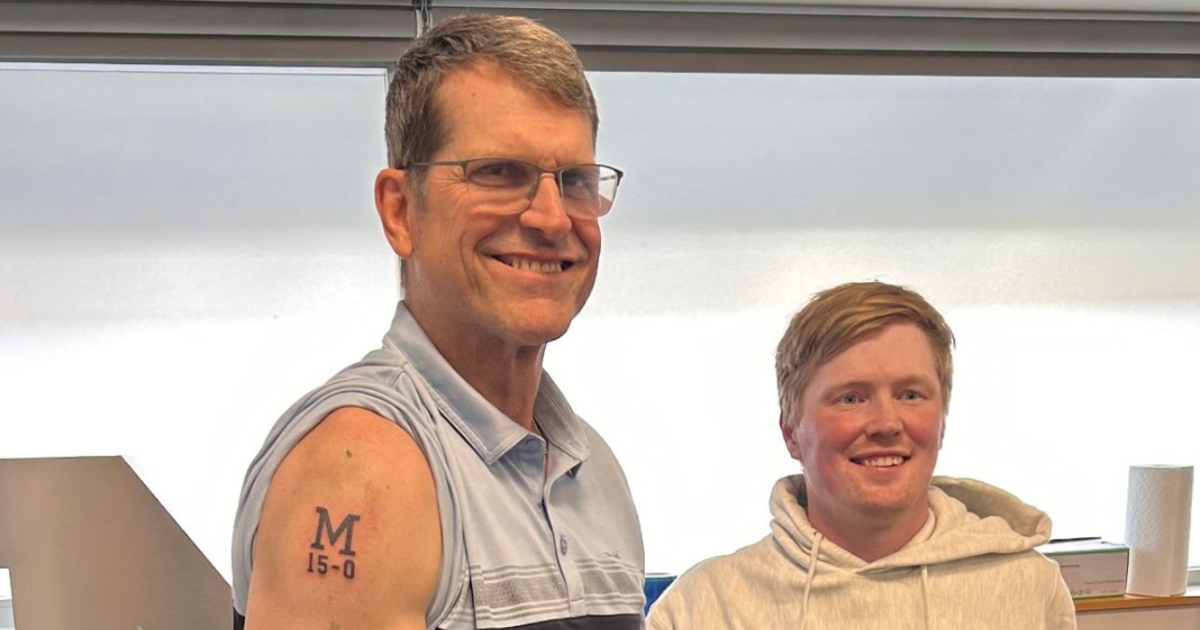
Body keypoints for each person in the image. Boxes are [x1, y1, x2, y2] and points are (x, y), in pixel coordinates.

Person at [231, 15, 643, 630]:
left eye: (576, 180)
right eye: (501, 173)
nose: (553, 218)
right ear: (401, 212)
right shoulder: (360, 471)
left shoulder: (591, 470)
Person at [647, 281, 1076, 630]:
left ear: (941, 422)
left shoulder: (1031, 589)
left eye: (911, 394)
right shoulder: (700, 608)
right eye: (851, 398)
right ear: (791, 433)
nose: (887, 423)